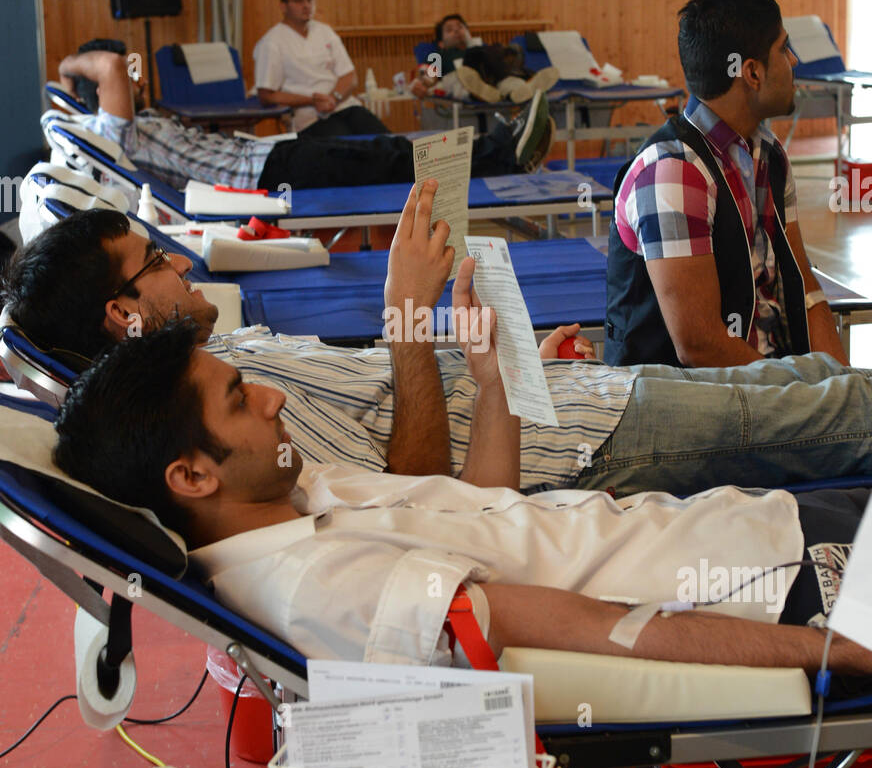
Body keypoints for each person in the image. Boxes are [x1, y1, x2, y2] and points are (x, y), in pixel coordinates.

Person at [52, 313, 872, 690]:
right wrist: (828, 649)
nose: (270, 397)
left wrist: (492, 385)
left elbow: (480, 509)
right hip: (776, 581)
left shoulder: (296, 494)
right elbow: (609, 633)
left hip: (752, 526)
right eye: (238, 398)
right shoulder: (318, 585)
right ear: (193, 477)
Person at [6, 203, 872, 499]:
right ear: (123, 315)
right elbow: (415, 489)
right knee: (836, 410)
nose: (181, 261)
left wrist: (504, 359)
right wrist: (402, 310)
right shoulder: (220, 416)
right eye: (155, 262)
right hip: (582, 445)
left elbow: (392, 392)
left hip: (565, 400)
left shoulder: (218, 356)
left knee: (805, 376)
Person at [605, 0, 849, 368]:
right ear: (751, 72)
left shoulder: (769, 155)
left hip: (761, 387)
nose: (795, 62)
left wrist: (842, 385)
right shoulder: (672, 173)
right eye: (784, 49)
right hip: (688, 406)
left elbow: (803, 286)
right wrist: (800, 394)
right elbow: (700, 346)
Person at [54, 44, 555, 193]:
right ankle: (503, 155)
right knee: (391, 158)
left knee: (387, 151)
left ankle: (500, 150)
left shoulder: (132, 126)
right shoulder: (108, 132)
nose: (136, 82)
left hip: (269, 155)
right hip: (266, 175)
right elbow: (113, 67)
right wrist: (66, 69)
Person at [253, 0, 389, 139]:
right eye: (298, 0)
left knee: (387, 141)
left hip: (343, 105)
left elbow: (350, 76)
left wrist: (333, 97)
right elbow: (267, 95)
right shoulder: (271, 42)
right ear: (283, 6)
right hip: (309, 119)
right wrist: (311, 101)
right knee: (346, 148)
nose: (306, 5)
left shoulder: (325, 32)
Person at [411, 14, 557, 105]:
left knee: (505, 80)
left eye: (460, 27)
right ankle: (481, 92)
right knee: (461, 78)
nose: (456, 31)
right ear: (441, 43)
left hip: (489, 80)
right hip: (459, 81)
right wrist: (419, 83)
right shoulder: (439, 55)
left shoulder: (483, 50)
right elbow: (429, 76)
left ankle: (520, 90)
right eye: (449, 30)